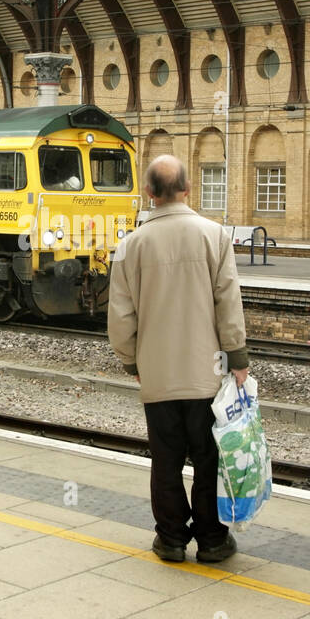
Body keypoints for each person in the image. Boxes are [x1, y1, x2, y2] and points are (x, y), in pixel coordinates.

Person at [108, 154, 249, 564]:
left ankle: (170, 539)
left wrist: (132, 361)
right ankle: (211, 540)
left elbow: (120, 315)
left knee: (165, 460)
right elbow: (229, 304)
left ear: (149, 193)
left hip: (158, 376)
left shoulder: (130, 245)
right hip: (208, 376)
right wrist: (237, 358)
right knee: (209, 458)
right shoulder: (215, 236)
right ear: (188, 190)